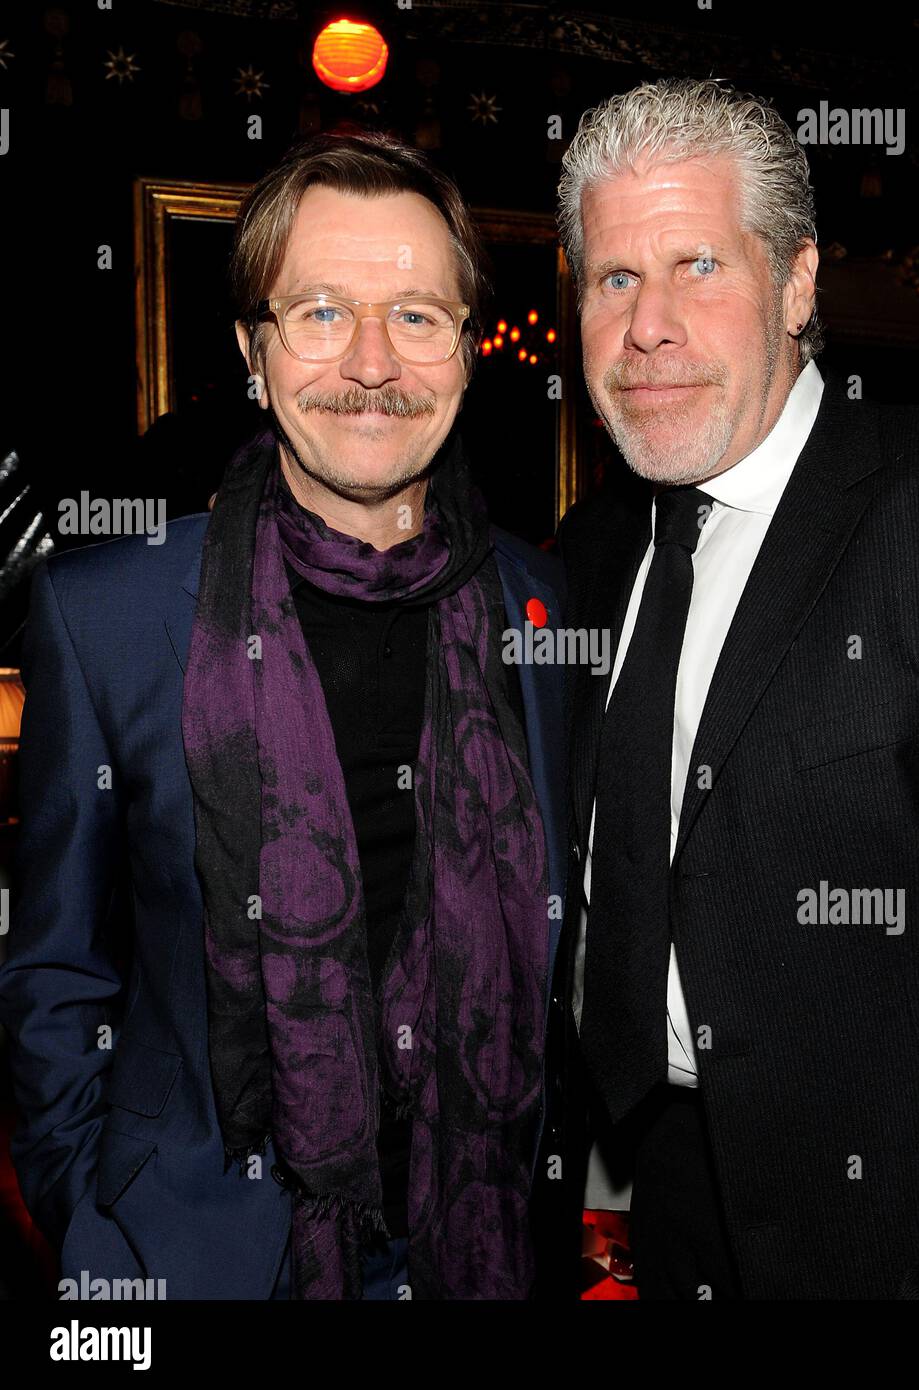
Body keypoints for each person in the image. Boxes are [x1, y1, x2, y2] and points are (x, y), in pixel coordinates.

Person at [535, 76, 919, 1300]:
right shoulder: (586, 555)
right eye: (612, 279)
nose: (648, 327)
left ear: (797, 285)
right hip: (670, 1199)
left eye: (697, 264)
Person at [0, 126, 567, 1300]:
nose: (372, 362)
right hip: (196, 1258)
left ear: (468, 352)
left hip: (486, 1252)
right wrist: (97, 1238)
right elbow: (56, 976)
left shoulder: (546, 607)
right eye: (318, 312)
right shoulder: (105, 615)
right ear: (254, 354)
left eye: (416, 315)